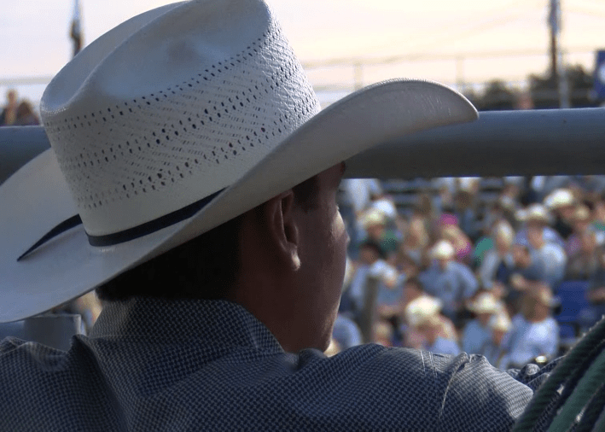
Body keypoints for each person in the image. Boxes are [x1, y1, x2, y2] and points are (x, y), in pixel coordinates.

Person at [0, 1, 555, 429]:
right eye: (335, 203)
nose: (341, 235)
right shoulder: (435, 407)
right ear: (285, 225)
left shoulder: (17, 392)